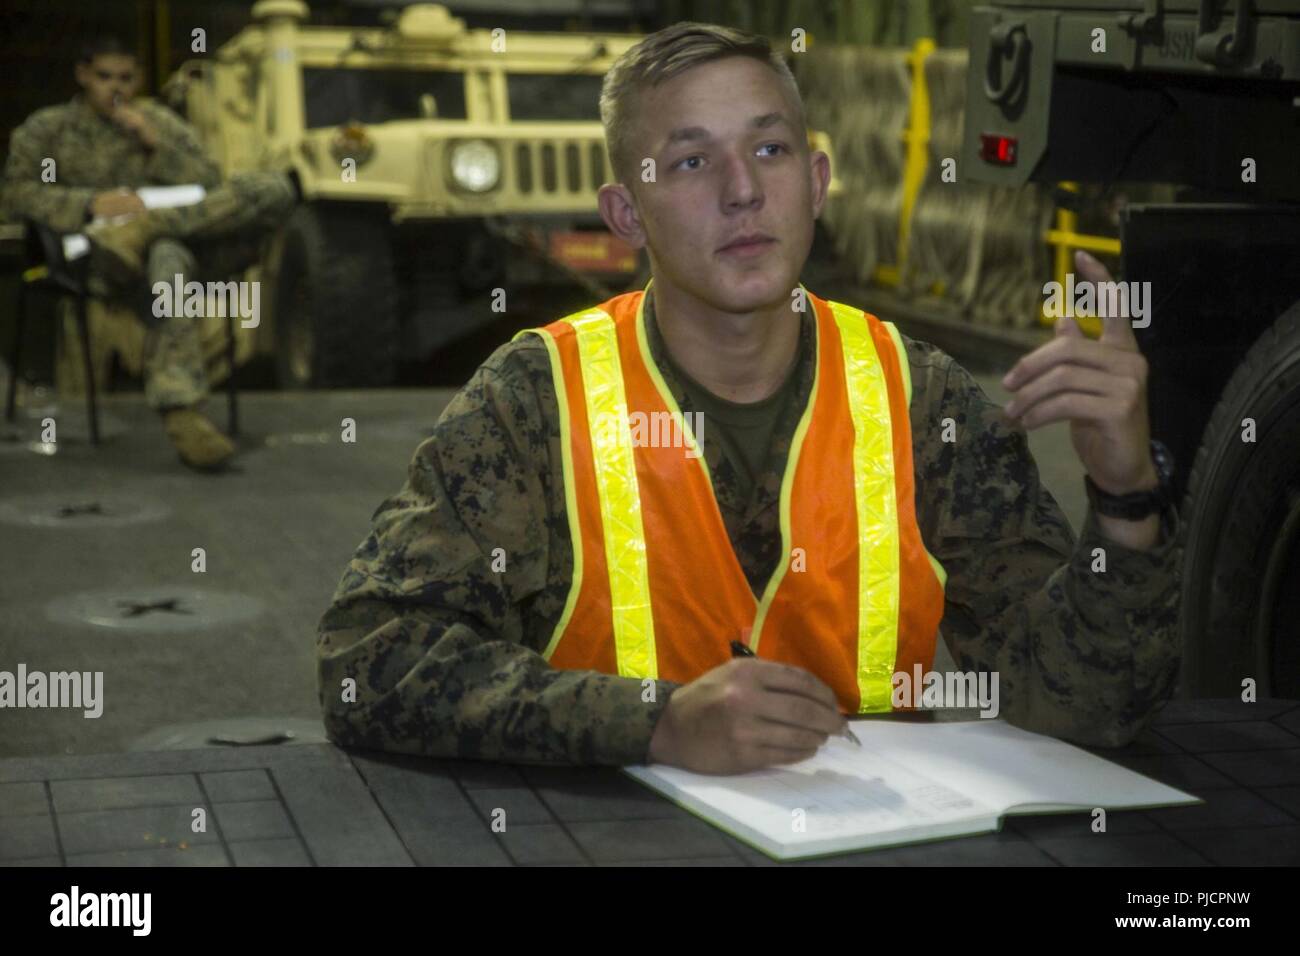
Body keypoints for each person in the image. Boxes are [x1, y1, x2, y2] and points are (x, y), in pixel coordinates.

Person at [316, 22, 1183, 774]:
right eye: (692, 161)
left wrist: (1125, 497)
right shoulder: (534, 401)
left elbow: (1084, 705)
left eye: (768, 150)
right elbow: (369, 662)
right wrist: (653, 724)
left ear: (815, 180)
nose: (742, 191)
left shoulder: (921, 400)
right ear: (625, 213)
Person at [1, 34, 298, 470]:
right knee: (167, 257)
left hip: (179, 244)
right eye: (104, 77)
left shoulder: (159, 122)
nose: (115, 88)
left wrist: (155, 143)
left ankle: (145, 229)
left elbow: (210, 183)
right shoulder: (49, 129)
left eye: (125, 77)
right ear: (83, 76)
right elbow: (15, 195)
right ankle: (181, 410)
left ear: (139, 78)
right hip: (97, 257)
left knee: (274, 189)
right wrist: (87, 204)